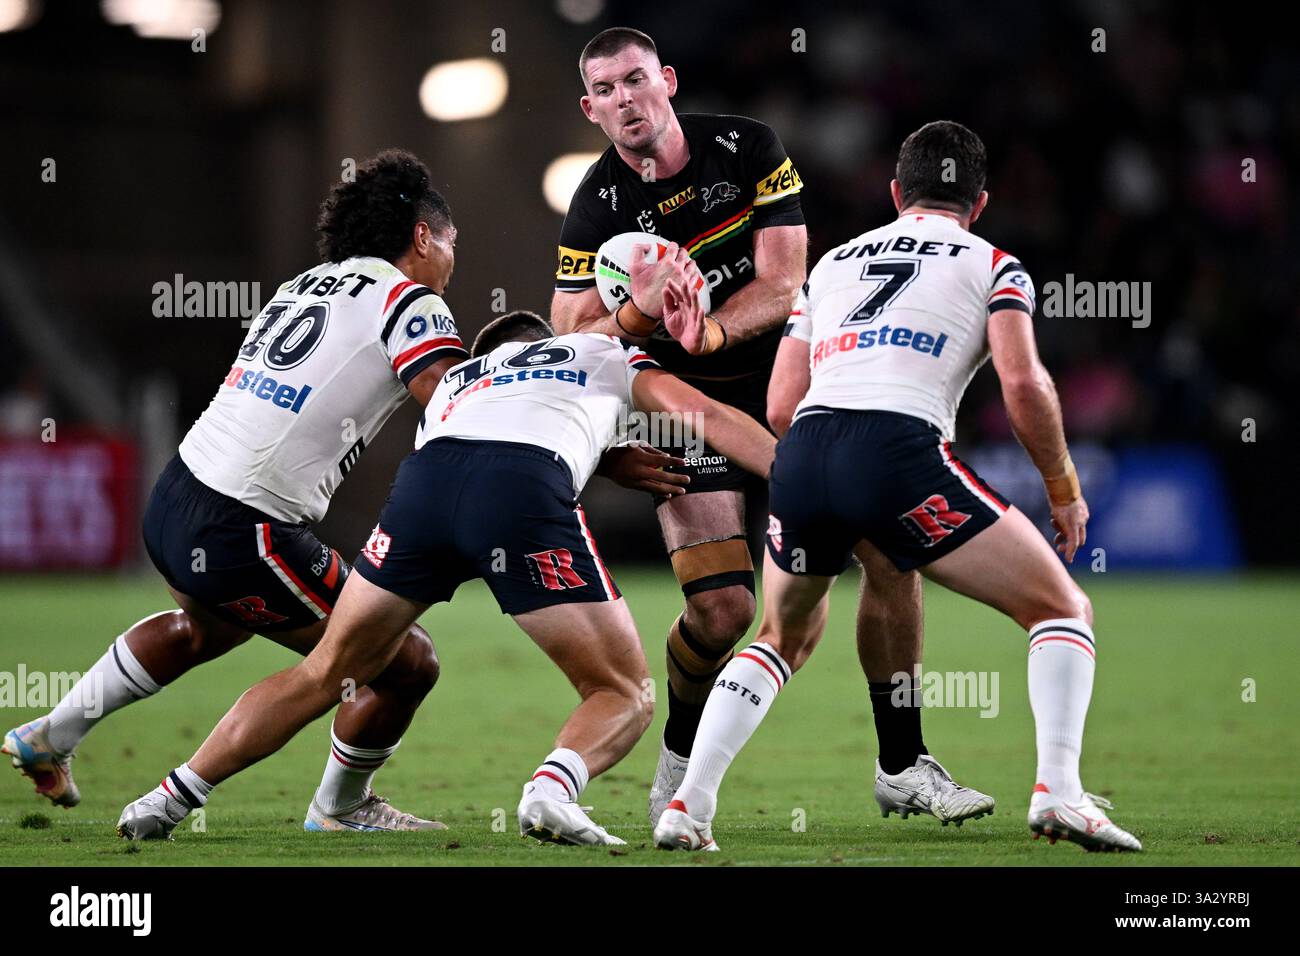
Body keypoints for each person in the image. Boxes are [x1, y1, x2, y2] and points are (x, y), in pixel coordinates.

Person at [117, 273, 779, 846]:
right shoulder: (602, 352)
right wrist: (794, 474)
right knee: (622, 692)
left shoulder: (463, 375)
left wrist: (603, 457)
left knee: (327, 671)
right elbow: (705, 417)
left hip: (426, 487)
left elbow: (500, 425)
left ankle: (168, 797)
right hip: (520, 491)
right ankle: (551, 789)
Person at [653, 121, 1141, 853]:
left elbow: (781, 405)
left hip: (808, 451)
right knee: (1061, 609)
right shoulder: (995, 263)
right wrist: (1062, 485)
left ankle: (687, 808)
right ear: (978, 203)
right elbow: (1023, 385)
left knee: (781, 637)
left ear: (894, 194)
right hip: (896, 449)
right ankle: (1060, 793)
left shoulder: (835, 264)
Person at [552, 27, 990, 825]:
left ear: (668, 81)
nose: (625, 101)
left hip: (790, 387)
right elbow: (571, 330)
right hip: (685, 417)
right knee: (721, 612)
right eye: (606, 91)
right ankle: (677, 770)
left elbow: (785, 279)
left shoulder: (747, 149)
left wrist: (709, 329)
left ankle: (903, 764)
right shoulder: (596, 200)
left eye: (636, 80)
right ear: (590, 108)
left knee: (890, 558)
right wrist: (638, 312)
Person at [4, 150, 475, 832]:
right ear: (425, 237)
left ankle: (52, 731)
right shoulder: (411, 301)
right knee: (401, 663)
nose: (451, 261)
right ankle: (272, 803)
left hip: (174, 498)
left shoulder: (303, 285)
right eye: (451, 243)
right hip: (243, 524)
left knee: (205, 628)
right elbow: (448, 397)